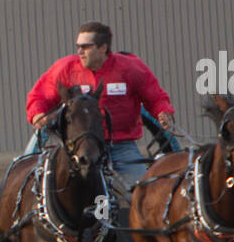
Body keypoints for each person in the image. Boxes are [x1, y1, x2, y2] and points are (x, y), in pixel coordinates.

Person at [25, 22, 174, 191]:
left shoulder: (130, 68)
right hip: (76, 149)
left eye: (86, 47)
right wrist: (37, 114)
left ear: (103, 48)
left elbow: (155, 96)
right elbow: (39, 96)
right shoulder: (65, 68)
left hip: (120, 146)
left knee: (143, 195)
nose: (79, 51)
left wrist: (163, 112)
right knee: (51, 192)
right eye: (78, 46)